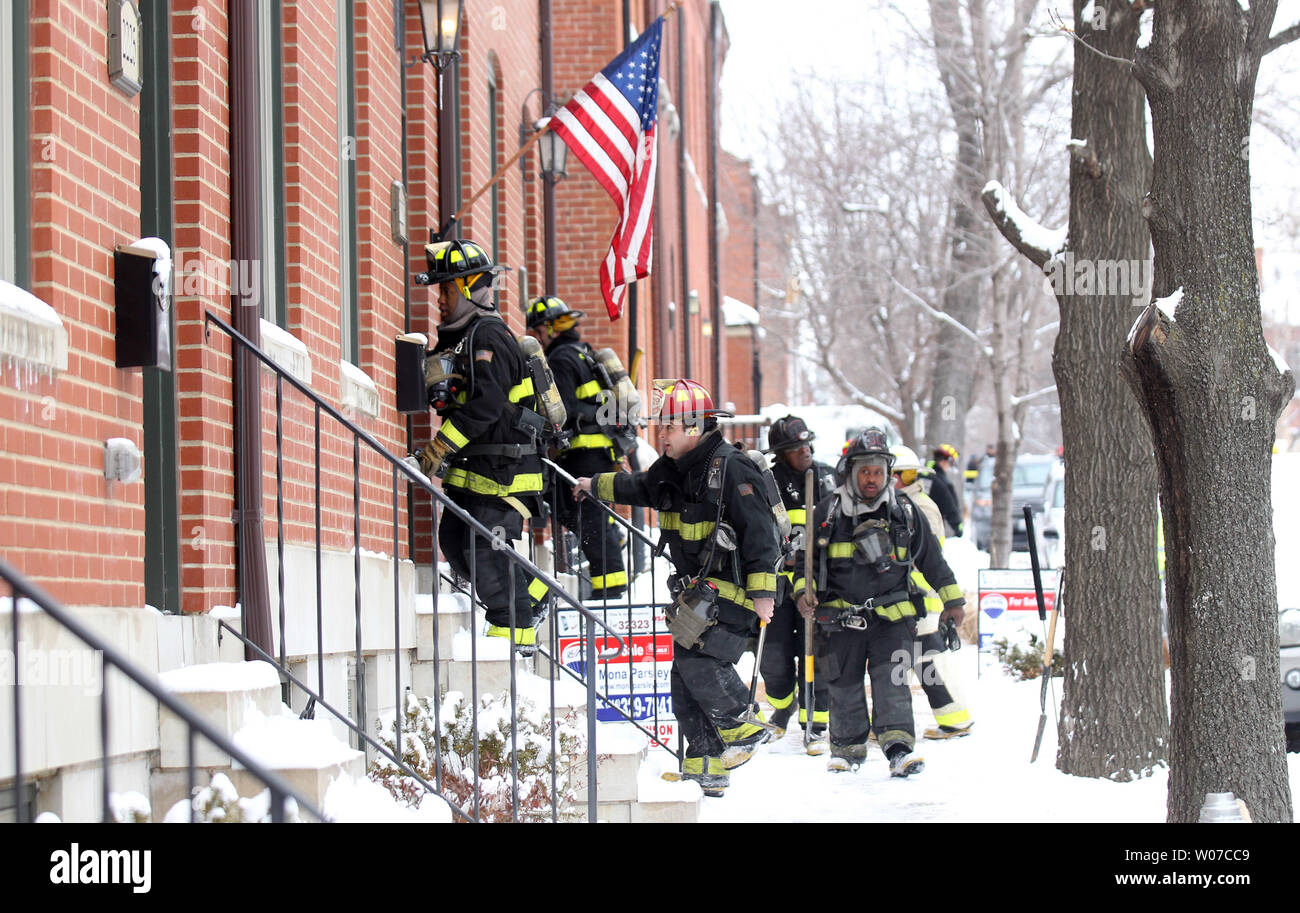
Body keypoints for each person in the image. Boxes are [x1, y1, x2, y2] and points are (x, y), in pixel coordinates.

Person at [574, 379, 780, 796]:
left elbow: (761, 534)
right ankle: (705, 768)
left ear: (693, 426)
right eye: (660, 426)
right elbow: (638, 487)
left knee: (700, 663)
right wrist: (592, 484)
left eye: (668, 427)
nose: (660, 435)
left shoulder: (730, 468)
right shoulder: (673, 472)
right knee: (684, 680)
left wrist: (763, 595)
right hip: (699, 597)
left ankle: (742, 727)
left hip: (734, 594)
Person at [794, 429, 966, 777]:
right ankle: (846, 751)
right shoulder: (827, 511)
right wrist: (802, 593)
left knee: (894, 682)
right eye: (865, 472)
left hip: (893, 617)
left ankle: (899, 748)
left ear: (887, 473)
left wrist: (952, 601)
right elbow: (804, 562)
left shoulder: (905, 511)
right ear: (851, 472)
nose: (871, 479)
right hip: (839, 619)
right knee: (843, 684)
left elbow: (933, 560)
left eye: (878, 472)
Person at [412, 239, 550, 652]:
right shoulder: (466, 337)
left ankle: (513, 637)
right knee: (455, 543)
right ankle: (534, 593)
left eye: (447, 289)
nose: (441, 299)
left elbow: (487, 406)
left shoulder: (489, 336)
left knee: (485, 549)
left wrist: (440, 446)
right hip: (479, 470)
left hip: (507, 471)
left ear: (470, 287)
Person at [526, 295, 627, 600]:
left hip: (583, 455)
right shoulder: (584, 353)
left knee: (586, 519)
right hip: (600, 452)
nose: (536, 338)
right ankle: (613, 542)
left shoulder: (559, 359)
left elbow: (563, 409)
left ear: (550, 329)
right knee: (582, 513)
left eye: (538, 331)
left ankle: (608, 593)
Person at [760, 415, 834, 752]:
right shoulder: (766, 483)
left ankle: (815, 721)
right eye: (795, 447)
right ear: (780, 452)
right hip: (777, 583)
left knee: (815, 654)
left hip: (817, 584)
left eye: (806, 444)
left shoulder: (828, 479)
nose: (804, 451)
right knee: (773, 656)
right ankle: (783, 703)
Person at [890, 445, 973, 739]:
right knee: (907, 659)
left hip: (920, 598)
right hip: (913, 598)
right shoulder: (907, 503)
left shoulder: (919, 507)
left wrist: (913, 591)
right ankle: (890, 723)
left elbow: (929, 557)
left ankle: (956, 719)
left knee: (927, 658)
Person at [927, 443, 964, 537]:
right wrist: (958, 527)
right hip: (933, 529)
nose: (950, 466)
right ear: (945, 461)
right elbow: (950, 507)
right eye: (951, 463)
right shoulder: (941, 483)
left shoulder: (922, 475)